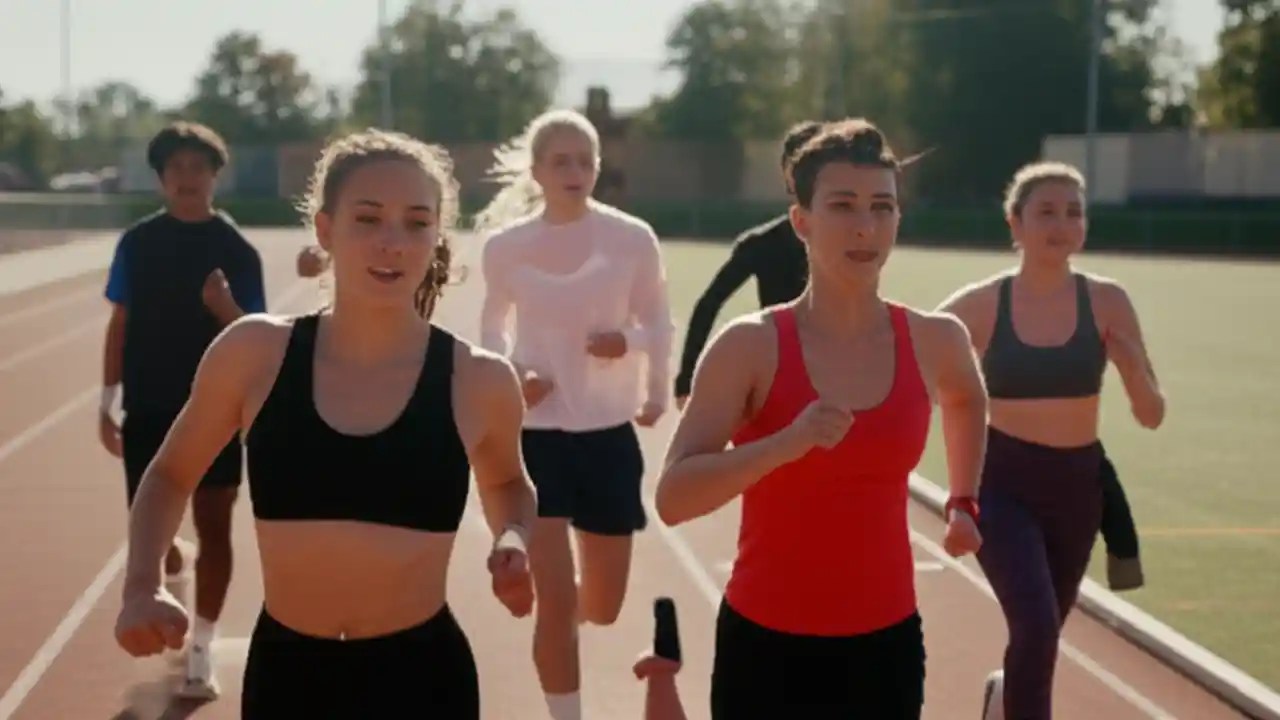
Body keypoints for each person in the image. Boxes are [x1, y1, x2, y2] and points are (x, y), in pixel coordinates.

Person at [112, 128, 537, 718]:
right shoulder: (254, 353)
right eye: (368, 219)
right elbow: (168, 476)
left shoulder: (479, 380)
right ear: (325, 229)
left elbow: (508, 485)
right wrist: (142, 586)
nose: (392, 242)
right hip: (289, 675)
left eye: (416, 223)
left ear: (437, 238)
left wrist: (512, 539)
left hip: (422, 679)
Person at [655, 118, 987, 719]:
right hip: (766, 648)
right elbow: (674, 498)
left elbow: (967, 397)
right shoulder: (750, 346)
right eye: (843, 205)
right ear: (801, 221)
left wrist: (964, 501)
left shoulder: (936, 339)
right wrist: (785, 444)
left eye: (882, 207)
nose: (865, 225)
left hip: (884, 645)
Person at [935, 160, 1165, 720]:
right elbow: (912, 352)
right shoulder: (984, 303)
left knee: (1042, 637)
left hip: (1077, 490)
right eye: (1045, 212)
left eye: (1073, 212)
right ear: (1014, 224)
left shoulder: (1108, 301)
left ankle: (1004, 699)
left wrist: (1132, 366)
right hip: (1003, 485)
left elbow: (1151, 414)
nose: (1061, 224)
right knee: (1035, 625)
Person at [473, 108, 675, 720]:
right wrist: (513, 377)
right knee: (556, 606)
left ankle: (560, 601)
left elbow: (658, 321)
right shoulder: (506, 248)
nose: (575, 171)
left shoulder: (632, 238)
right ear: (536, 171)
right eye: (561, 160)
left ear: (597, 168)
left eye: (585, 160)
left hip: (608, 436)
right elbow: (490, 330)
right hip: (537, 439)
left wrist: (643, 370)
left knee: (606, 605)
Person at [98, 121, 265, 699]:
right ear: (162, 179)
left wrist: (223, 306)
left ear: (215, 176)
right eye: (176, 169)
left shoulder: (236, 250)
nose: (187, 178)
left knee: (215, 526)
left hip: (215, 407)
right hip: (147, 404)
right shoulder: (138, 244)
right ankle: (172, 565)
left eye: (199, 168)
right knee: (156, 532)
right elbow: (118, 322)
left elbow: (257, 334)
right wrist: (106, 399)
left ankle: (200, 649)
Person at [673, 120, 822, 407]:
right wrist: (687, 378)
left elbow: (708, 304)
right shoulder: (761, 244)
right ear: (789, 178)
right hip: (779, 374)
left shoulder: (849, 240)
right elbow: (708, 304)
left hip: (829, 372)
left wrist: (686, 377)